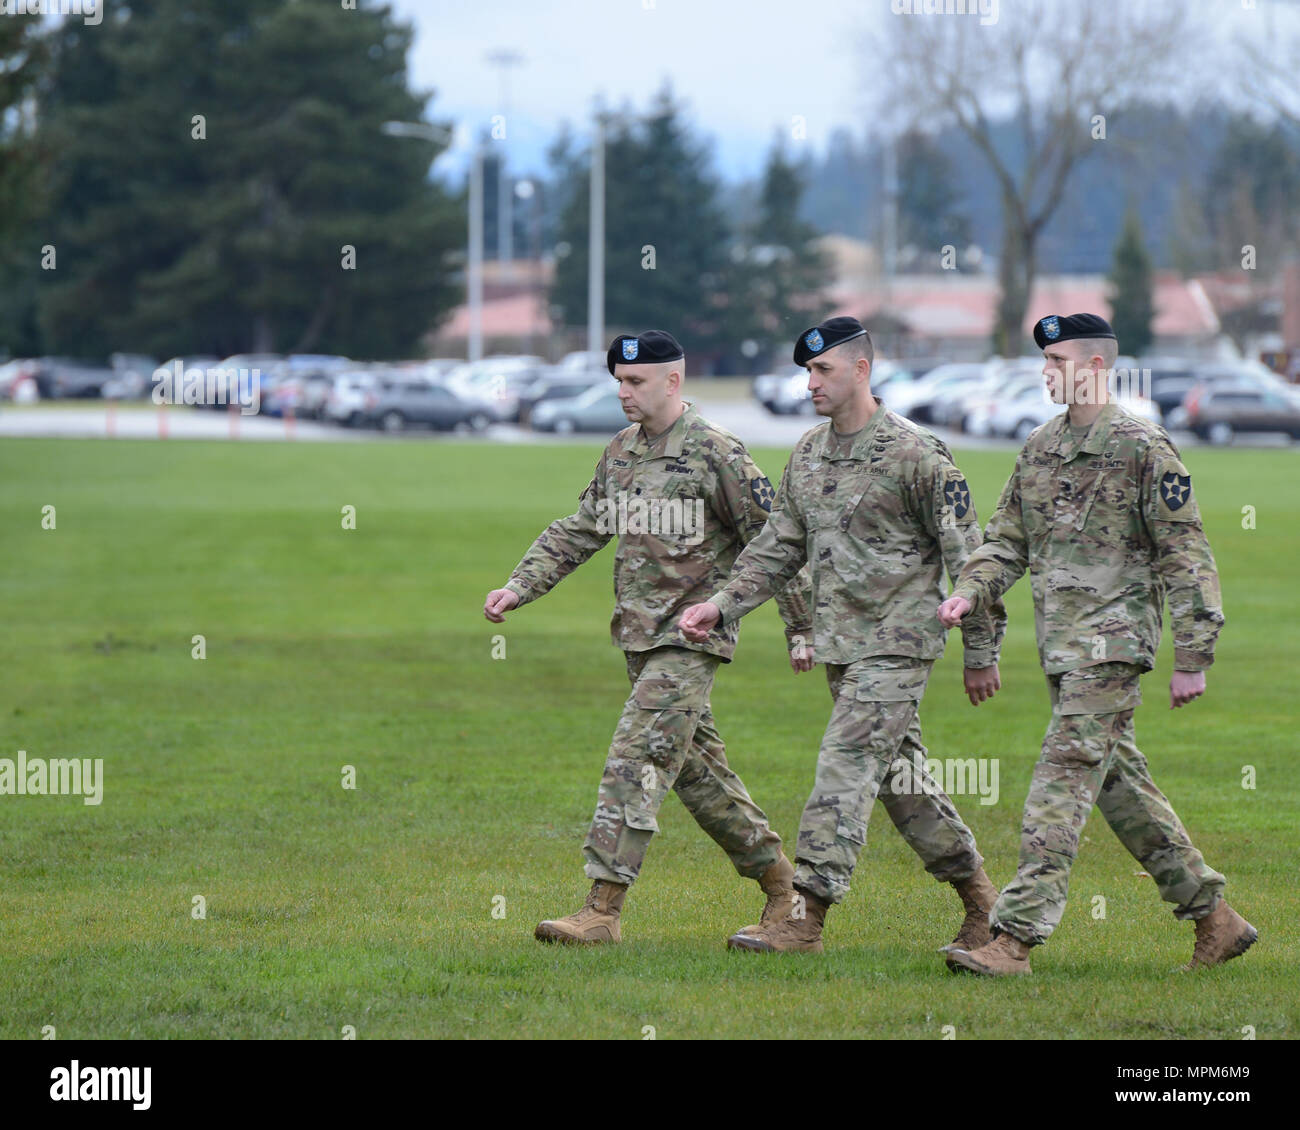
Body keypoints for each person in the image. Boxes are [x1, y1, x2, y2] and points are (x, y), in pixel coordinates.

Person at [939, 312, 1255, 976]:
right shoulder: (1040, 448)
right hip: (1062, 650)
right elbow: (1006, 543)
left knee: (1058, 787)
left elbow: (1186, 555)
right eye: (1045, 362)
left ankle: (1014, 940)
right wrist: (972, 589)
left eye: (1058, 361)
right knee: (1120, 787)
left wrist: (1193, 656)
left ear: (1097, 366)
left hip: (1112, 649)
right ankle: (1214, 918)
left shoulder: (1143, 447)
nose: (1047, 372)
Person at [680, 316, 1006, 954]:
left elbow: (973, 557)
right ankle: (983, 903)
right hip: (841, 643)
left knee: (845, 763)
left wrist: (981, 649)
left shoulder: (918, 454)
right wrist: (721, 606)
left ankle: (806, 917)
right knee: (902, 783)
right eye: (807, 371)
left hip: (902, 640)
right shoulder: (808, 452)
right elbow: (777, 549)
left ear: (862, 370)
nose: (810, 384)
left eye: (823, 370)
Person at [483, 330, 814, 945]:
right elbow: (583, 527)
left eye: (636, 382)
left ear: (672, 382)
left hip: (691, 638)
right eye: (619, 382)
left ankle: (602, 909)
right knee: (700, 778)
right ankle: (786, 893)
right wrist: (520, 586)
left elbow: (775, 544)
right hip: (637, 639)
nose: (623, 393)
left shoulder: (718, 452)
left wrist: (802, 626)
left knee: (634, 760)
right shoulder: (621, 452)